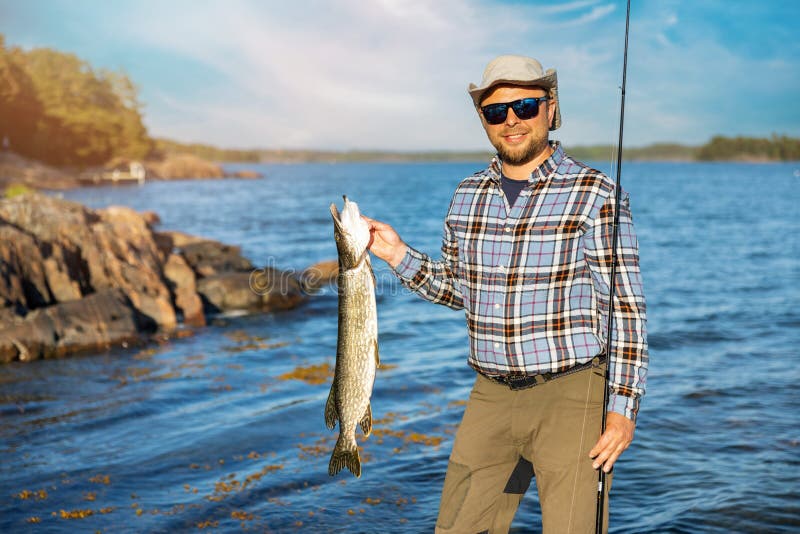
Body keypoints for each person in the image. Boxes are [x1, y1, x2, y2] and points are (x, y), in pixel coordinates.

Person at [364, 55, 648, 533]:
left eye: (525, 106)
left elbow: (625, 309)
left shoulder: (596, 191)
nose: (511, 120)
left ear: (550, 109)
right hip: (489, 395)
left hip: (573, 394)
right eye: (496, 112)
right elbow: (460, 290)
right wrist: (396, 255)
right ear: (484, 120)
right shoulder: (466, 194)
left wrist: (621, 409)